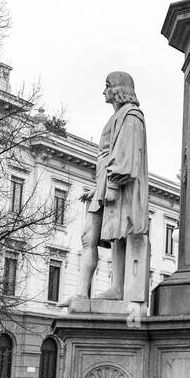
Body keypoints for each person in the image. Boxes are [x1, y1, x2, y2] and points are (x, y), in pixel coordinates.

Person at [78, 72, 149, 304]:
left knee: (122, 234)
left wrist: (112, 186)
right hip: (110, 186)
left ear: (119, 89)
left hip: (120, 187)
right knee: (114, 236)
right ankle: (114, 287)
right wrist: (98, 188)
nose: (104, 91)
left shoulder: (131, 115)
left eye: (107, 86)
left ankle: (118, 287)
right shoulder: (120, 116)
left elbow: (125, 154)